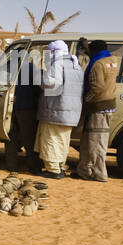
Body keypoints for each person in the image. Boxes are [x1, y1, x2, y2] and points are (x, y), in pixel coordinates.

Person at [35, 40, 83, 178]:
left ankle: (53, 170)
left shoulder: (57, 63)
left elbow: (51, 83)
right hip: (70, 112)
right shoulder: (75, 64)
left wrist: (40, 78)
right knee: (62, 140)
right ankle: (61, 167)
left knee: (51, 140)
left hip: (56, 111)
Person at [76, 39, 120, 181]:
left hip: (98, 107)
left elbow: (97, 87)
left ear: (94, 51)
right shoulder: (112, 60)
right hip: (108, 106)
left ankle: (99, 173)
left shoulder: (97, 64)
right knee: (92, 140)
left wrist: (85, 99)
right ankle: (85, 170)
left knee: (96, 142)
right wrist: (86, 48)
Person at [5, 49, 41, 171]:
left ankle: (11, 165)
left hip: (8, 107)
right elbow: (38, 87)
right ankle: (33, 166)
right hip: (27, 106)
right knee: (29, 138)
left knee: (10, 137)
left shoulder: (7, 68)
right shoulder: (32, 68)